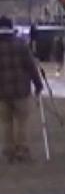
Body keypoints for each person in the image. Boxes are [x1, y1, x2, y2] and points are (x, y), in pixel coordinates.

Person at [0, 16, 44, 164]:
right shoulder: (21, 44)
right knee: (22, 123)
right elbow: (31, 67)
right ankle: (22, 151)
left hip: (2, 93)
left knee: (6, 124)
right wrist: (38, 84)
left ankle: (8, 153)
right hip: (21, 91)